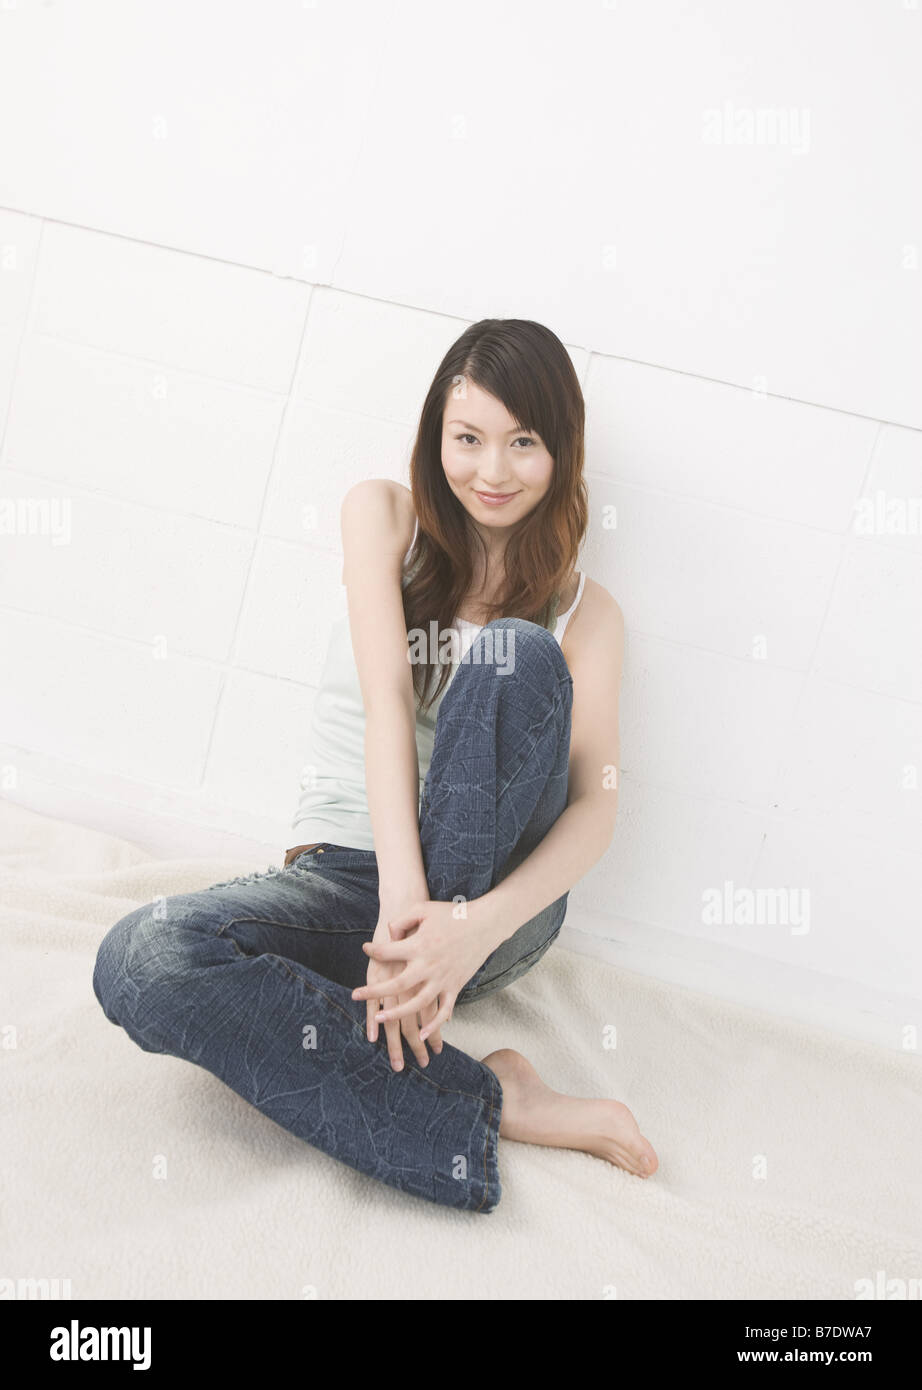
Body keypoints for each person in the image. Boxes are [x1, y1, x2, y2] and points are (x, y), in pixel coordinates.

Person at [93, 318, 658, 1213]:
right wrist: (403, 908)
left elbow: (598, 806)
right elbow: (389, 702)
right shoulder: (383, 517)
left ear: (562, 453)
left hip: (494, 909)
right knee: (144, 956)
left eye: (523, 443)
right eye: (467, 439)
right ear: (436, 439)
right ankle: (493, 1093)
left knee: (511, 655)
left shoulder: (589, 617)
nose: (492, 471)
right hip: (352, 879)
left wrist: (465, 926)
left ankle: (430, 981)